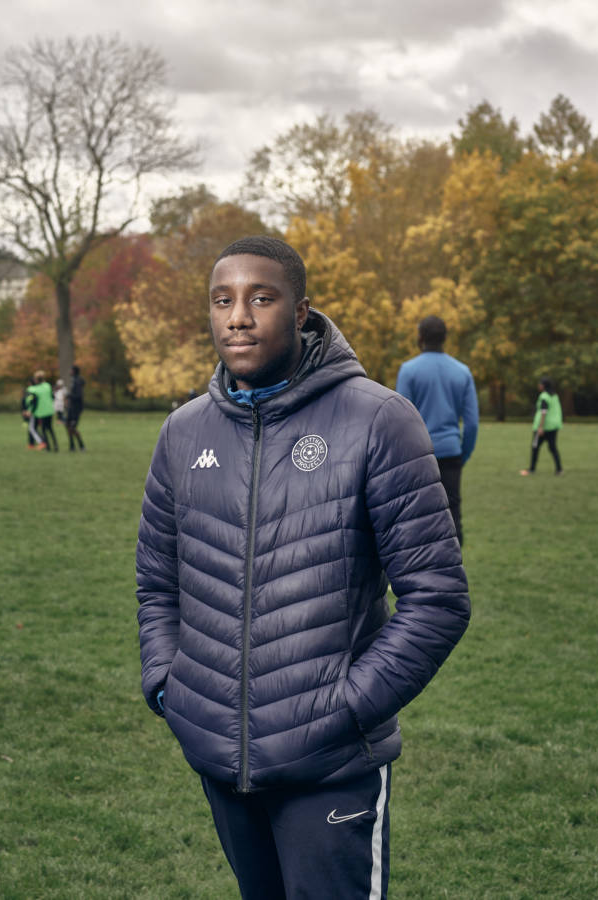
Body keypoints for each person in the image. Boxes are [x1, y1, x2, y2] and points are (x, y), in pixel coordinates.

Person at [136, 236, 471, 899]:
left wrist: (345, 709)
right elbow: (157, 581)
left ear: (301, 311)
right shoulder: (184, 431)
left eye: (261, 298)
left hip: (330, 766)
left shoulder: (378, 420)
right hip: (218, 759)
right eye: (223, 300)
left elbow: (437, 598)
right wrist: (169, 686)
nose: (239, 316)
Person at [395, 316, 479, 547]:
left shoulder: (408, 371)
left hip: (418, 454)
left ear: (420, 337)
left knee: (418, 515)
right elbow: (471, 422)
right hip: (451, 452)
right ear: (445, 338)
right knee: (452, 515)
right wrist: (464, 454)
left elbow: (401, 420)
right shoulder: (462, 372)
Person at [520, 377, 563, 476]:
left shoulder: (544, 396)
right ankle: (559, 469)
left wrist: (540, 427)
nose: (538, 386)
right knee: (553, 448)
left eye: (539, 384)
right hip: (553, 426)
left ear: (543, 386)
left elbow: (544, 412)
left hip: (543, 427)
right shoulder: (554, 396)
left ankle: (532, 469)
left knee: (535, 447)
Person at [28, 371, 57, 452]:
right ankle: (55, 445)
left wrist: (30, 410)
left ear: (36, 380)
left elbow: (33, 401)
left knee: (44, 430)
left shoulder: (34, 389)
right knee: (51, 429)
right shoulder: (48, 386)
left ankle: (48, 447)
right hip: (50, 410)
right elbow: (53, 397)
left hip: (41, 412)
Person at [21, 376, 47, 450]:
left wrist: (29, 411)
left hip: (34, 412)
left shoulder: (32, 391)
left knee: (32, 428)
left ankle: (42, 442)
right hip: (36, 411)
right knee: (32, 428)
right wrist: (24, 409)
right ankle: (31, 444)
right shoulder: (33, 390)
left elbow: (33, 402)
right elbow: (26, 401)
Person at [64, 365, 85, 451]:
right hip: (71, 408)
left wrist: (69, 395)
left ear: (74, 371)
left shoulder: (77, 381)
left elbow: (78, 395)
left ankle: (81, 445)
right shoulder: (74, 381)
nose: (70, 372)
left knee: (72, 428)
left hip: (76, 409)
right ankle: (72, 445)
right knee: (67, 426)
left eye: (71, 370)